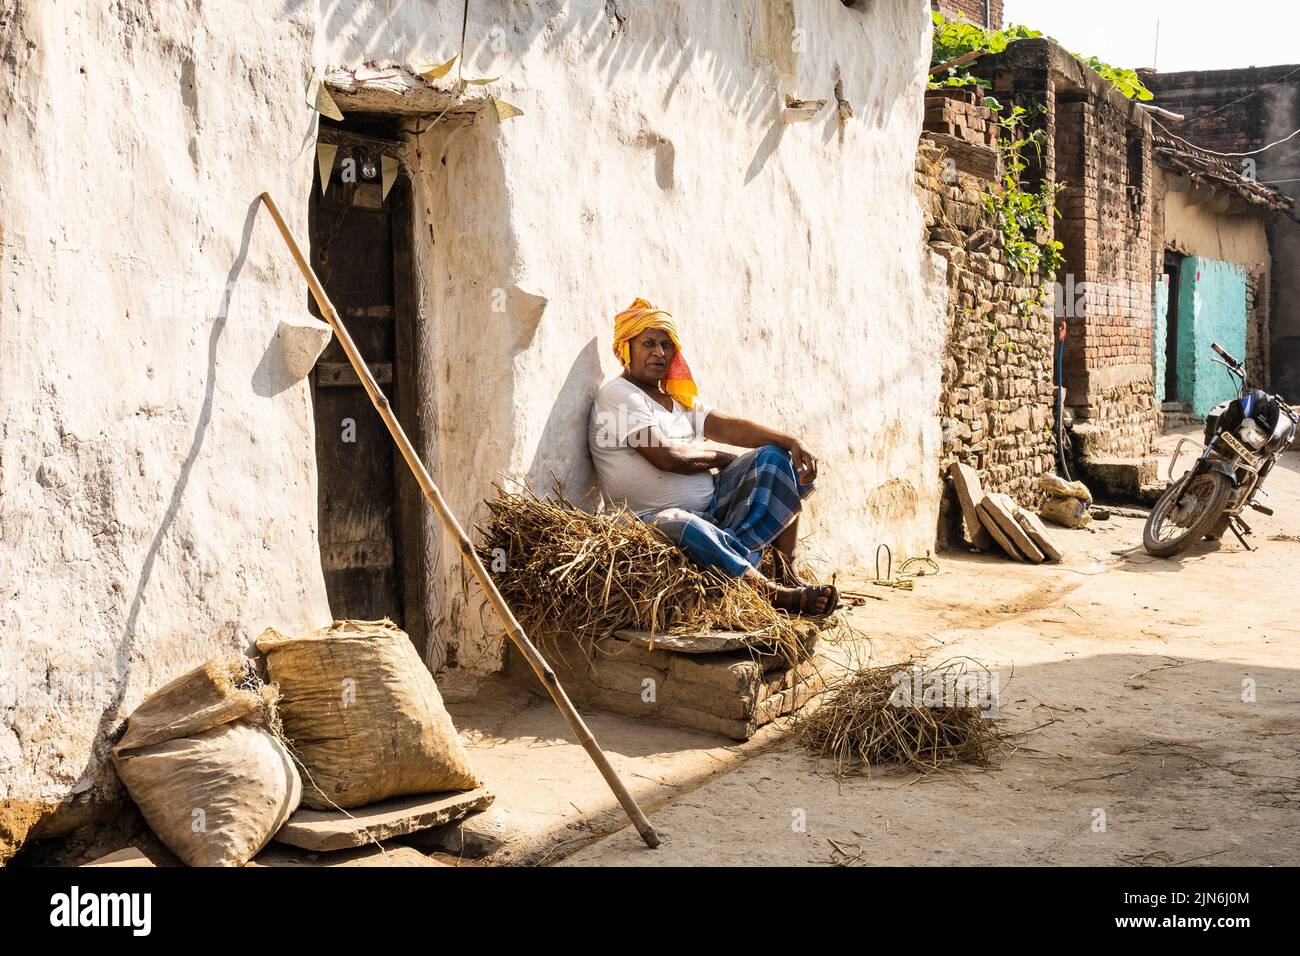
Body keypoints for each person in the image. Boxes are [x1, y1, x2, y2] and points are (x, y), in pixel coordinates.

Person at [588, 298, 838, 615]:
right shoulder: (619, 394)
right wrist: (722, 459)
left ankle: (785, 572)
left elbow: (726, 427)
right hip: (650, 519)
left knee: (775, 458)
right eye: (648, 343)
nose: (659, 353)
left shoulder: (676, 399)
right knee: (681, 523)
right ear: (625, 348)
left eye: (666, 345)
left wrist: (789, 440)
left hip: (713, 507)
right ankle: (771, 593)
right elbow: (667, 458)